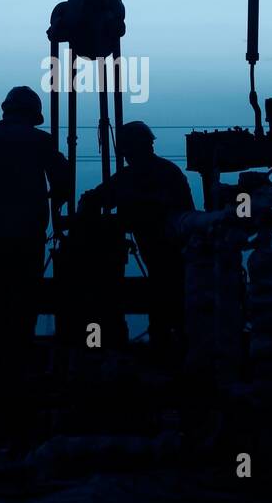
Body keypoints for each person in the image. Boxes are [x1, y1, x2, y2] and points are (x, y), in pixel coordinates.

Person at [0, 86, 70, 378]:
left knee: (0, 294)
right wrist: (54, 205)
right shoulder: (40, 141)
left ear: (6, 109)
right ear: (33, 114)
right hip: (28, 233)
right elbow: (63, 182)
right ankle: (18, 363)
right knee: (24, 297)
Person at [79, 121, 195, 352]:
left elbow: (98, 198)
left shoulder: (138, 176)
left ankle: (169, 346)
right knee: (167, 297)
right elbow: (98, 197)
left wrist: (88, 213)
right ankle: (171, 346)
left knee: (167, 296)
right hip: (168, 248)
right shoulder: (158, 173)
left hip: (171, 248)